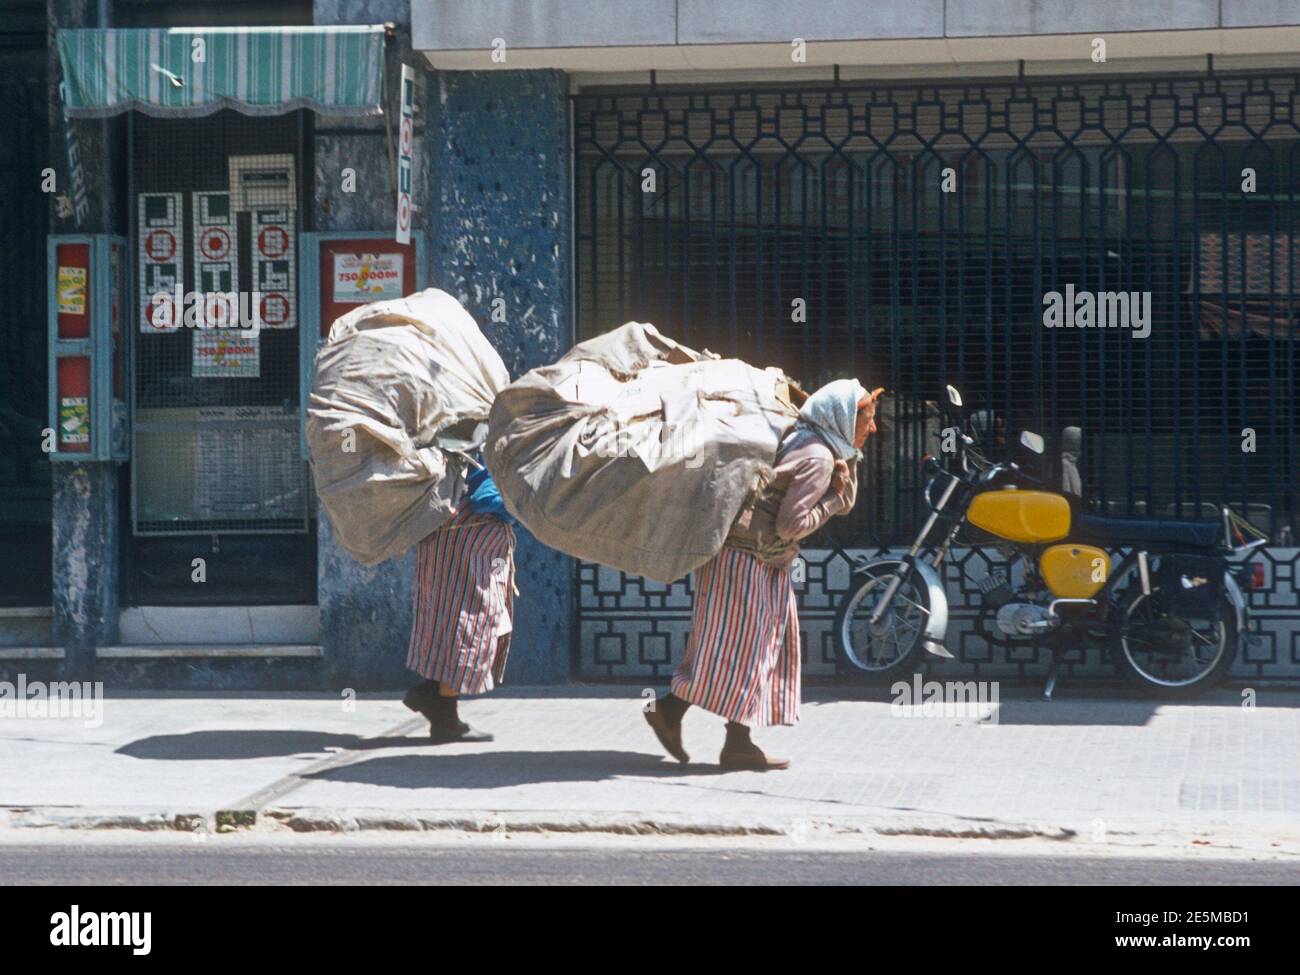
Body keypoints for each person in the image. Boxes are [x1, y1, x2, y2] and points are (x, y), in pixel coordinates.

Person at [644, 380, 883, 771]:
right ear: (842, 417)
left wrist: (845, 475)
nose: (872, 429)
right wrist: (833, 500)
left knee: (753, 650)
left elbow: (819, 505)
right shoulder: (819, 458)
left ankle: (733, 741)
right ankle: (671, 709)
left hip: (754, 559)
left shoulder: (808, 440)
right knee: (739, 650)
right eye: (867, 420)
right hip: (747, 560)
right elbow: (791, 524)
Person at [402, 458, 516, 743]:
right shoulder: (490, 449)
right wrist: (526, 507)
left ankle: (435, 700)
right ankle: (441, 712)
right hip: (468, 551)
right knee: (469, 623)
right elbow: (486, 498)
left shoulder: (479, 445)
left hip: (458, 547)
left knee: (451, 620)